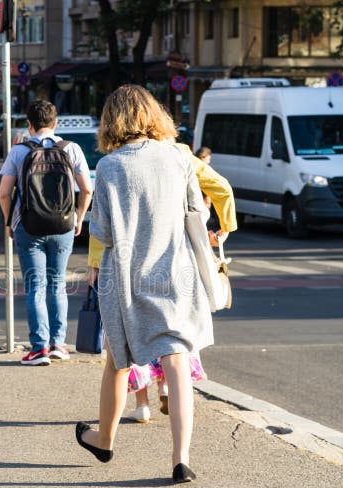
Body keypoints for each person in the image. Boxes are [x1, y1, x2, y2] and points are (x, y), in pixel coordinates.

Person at [75, 85, 214, 483]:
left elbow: (102, 231)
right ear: (154, 114)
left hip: (128, 277)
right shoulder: (178, 158)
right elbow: (195, 212)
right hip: (177, 272)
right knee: (176, 361)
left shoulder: (110, 166)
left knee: (119, 360)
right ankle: (180, 459)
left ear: (113, 120)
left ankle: (104, 439)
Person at [90, 142, 237, 423]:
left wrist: (94, 264)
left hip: (129, 266)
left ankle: (141, 403)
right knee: (174, 343)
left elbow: (104, 228)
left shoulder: (116, 161)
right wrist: (225, 228)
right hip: (174, 264)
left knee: (129, 339)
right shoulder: (179, 154)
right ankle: (168, 390)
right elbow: (222, 188)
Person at [0, 100, 93, 366]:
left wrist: (9, 220)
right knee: (57, 284)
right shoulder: (71, 149)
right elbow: (86, 189)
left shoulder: (19, 151)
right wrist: (79, 218)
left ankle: (38, 349)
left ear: (29, 125)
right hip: (64, 225)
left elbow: (4, 192)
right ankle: (58, 345)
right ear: (55, 123)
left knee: (35, 287)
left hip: (29, 226)